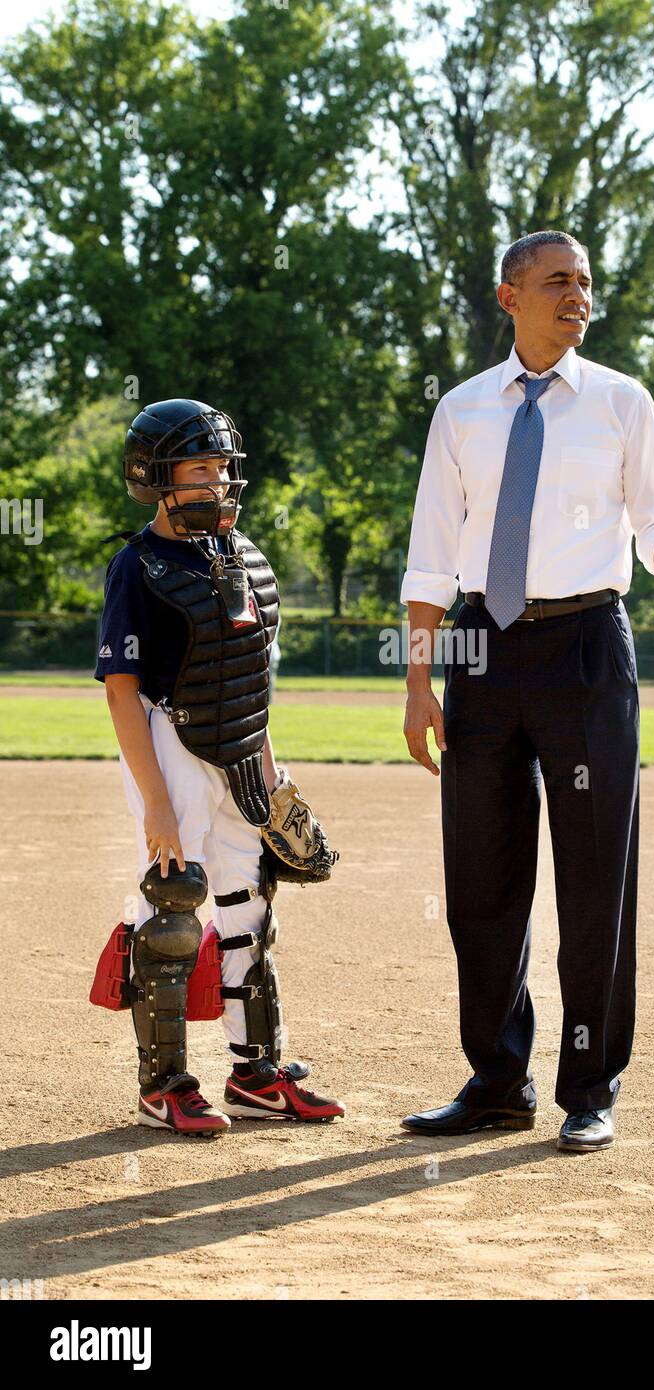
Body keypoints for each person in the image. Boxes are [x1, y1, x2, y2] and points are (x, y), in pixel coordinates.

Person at [399, 231, 654, 1152]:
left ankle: (589, 1086)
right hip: (481, 651)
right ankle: (498, 1081)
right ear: (510, 298)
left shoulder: (622, 400)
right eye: (556, 282)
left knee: (593, 877)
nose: (577, 295)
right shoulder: (460, 411)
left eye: (584, 281)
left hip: (587, 645)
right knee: (483, 878)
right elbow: (429, 553)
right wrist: (420, 685)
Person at [94, 397, 344, 1136]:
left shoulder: (241, 556)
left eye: (224, 467)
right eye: (201, 468)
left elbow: (251, 679)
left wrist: (271, 778)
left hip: (242, 752)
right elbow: (121, 691)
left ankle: (257, 1074)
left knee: (250, 908)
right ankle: (163, 1085)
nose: (220, 481)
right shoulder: (137, 568)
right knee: (174, 906)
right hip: (168, 744)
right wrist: (156, 807)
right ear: (155, 477)